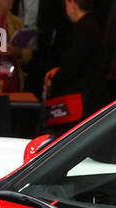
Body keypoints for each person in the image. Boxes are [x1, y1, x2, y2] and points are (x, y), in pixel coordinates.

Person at [42, 0, 103, 131]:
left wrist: (54, 82)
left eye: (66, 4)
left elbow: (72, 67)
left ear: (73, 4)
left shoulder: (82, 29)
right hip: (89, 98)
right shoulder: (92, 26)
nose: (66, 9)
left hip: (77, 103)